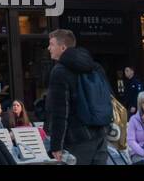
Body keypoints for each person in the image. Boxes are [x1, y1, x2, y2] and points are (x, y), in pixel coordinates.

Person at [44, 28, 110, 165]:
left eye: (51, 44)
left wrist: (56, 145)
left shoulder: (60, 71)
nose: (48, 48)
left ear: (62, 47)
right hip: (101, 135)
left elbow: (60, 112)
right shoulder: (95, 66)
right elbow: (108, 97)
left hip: (76, 139)